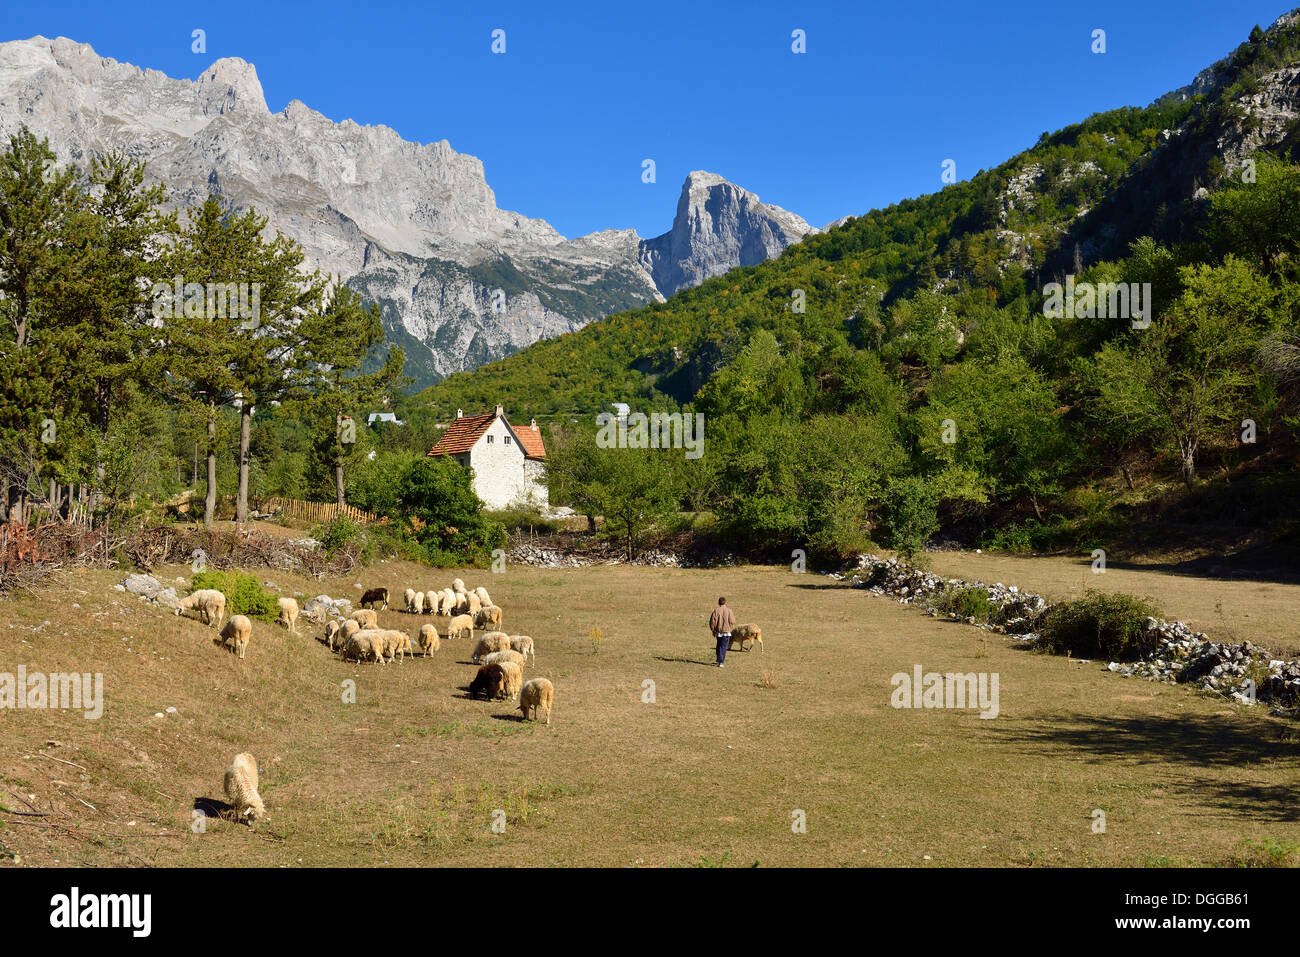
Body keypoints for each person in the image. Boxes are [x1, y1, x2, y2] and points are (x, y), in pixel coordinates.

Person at [709, 596, 735, 668]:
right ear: (725, 603)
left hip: (718, 632)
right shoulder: (729, 610)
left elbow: (712, 622)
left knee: (719, 645)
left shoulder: (716, 611)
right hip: (726, 631)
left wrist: (713, 630)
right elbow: (733, 621)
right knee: (723, 646)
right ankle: (721, 661)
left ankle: (718, 659)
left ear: (718, 603)